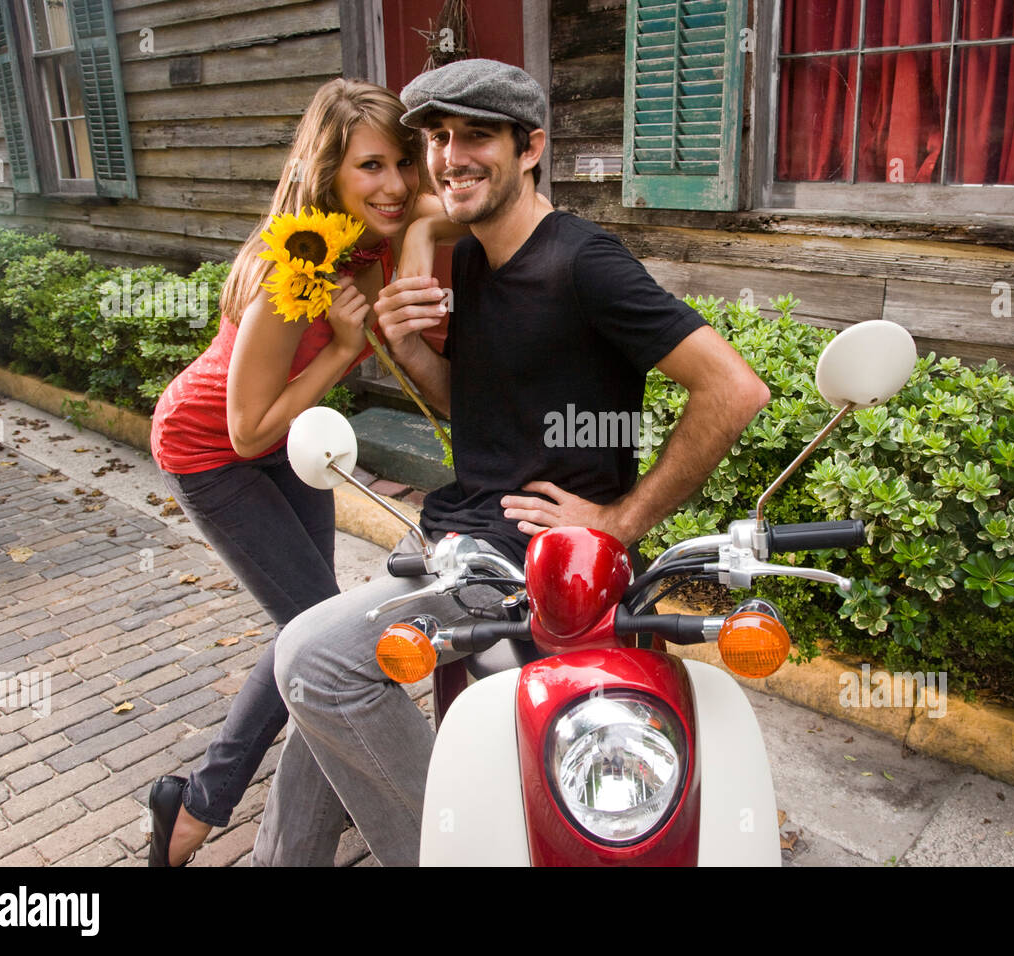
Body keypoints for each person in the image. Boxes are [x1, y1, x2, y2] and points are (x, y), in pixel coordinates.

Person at [250, 59, 771, 866]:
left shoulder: (584, 263)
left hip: (530, 564)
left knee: (314, 663)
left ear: (530, 148)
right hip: (461, 539)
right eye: (439, 137)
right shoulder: (473, 263)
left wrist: (620, 521)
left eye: (477, 136)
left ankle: (454, 850)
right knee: (323, 684)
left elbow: (733, 390)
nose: (451, 155)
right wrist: (408, 342)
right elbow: (475, 404)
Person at [145, 78, 464, 866]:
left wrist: (421, 234)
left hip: (294, 439)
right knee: (320, 632)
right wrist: (346, 351)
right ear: (329, 175)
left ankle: (213, 801)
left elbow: (452, 207)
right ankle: (201, 804)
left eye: (401, 163)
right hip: (214, 450)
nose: (393, 185)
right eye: (369, 167)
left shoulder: (376, 230)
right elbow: (246, 428)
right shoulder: (298, 269)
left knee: (310, 624)